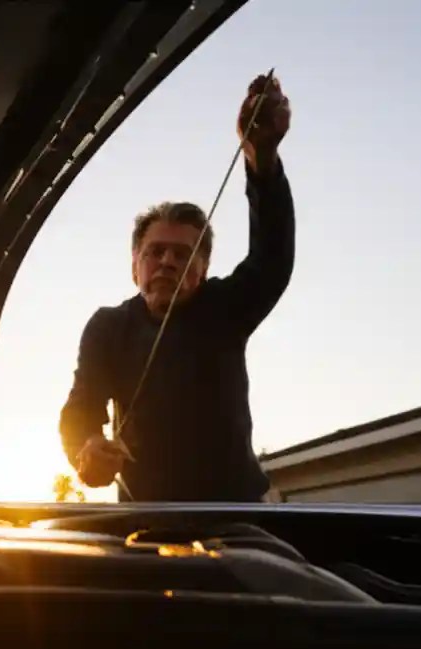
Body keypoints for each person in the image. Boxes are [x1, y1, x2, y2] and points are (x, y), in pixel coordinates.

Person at [58, 73, 294, 502]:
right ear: (135, 266)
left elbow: (272, 258)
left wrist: (262, 160)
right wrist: (86, 447)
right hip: (143, 522)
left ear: (202, 270)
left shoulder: (226, 308)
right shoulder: (108, 327)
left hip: (236, 517)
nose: (167, 261)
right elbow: (80, 409)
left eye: (183, 255)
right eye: (155, 252)